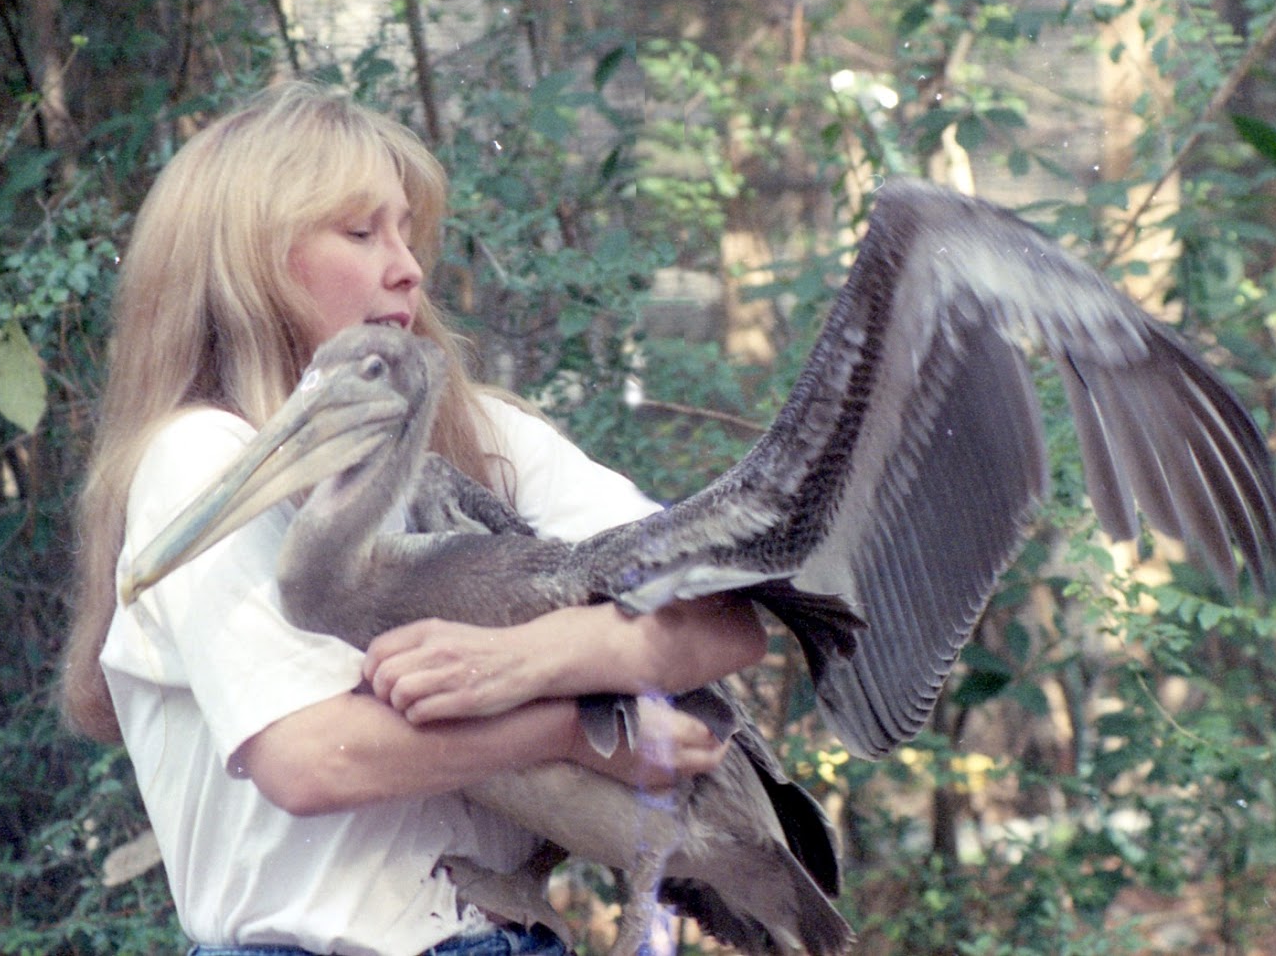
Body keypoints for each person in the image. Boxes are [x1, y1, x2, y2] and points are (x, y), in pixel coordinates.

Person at [62, 81, 767, 956]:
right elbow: (312, 756)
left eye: (405, 230)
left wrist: (517, 662)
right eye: (360, 232)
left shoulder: (483, 437)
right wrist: (581, 727)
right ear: (244, 262)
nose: (408, 265)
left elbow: (722, 613)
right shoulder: (204, 455)